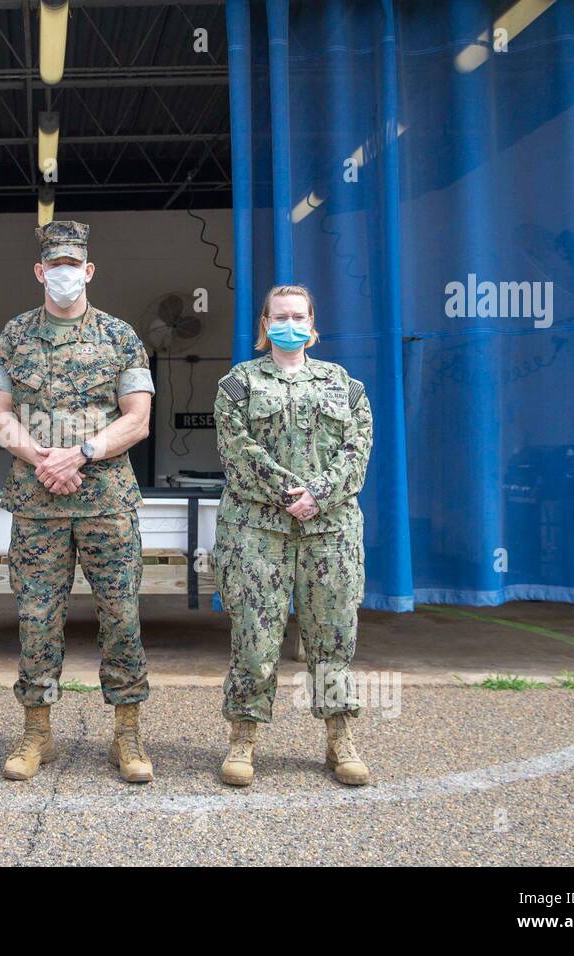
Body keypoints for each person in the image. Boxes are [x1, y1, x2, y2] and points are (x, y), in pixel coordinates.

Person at [0, 221, 156, 783]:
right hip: (38, 504)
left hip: (105, 501)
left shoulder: (120, 336)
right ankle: (37, 733)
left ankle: (127, 736)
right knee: (37, 619)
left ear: (89, 271)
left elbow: (137, 419)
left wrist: (78, 454)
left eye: (72, 265)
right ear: (40, 272)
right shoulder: (12, 336)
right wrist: (43, 459)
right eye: (52, 265)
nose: (63, 274)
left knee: (122, 616)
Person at [212, 283, 373, 787]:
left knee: (333, 638)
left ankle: (339, 740)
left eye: (298, 315)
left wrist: (317, 496)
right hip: (258, 533)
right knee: (254, 640)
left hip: (330, 534)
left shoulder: (345, 386)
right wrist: (288, 494)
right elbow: (236, 450)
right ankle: (243, 741)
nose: (289, 323)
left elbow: (357, 450)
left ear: (312, 325)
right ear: (264, 326)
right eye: (279, 316)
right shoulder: (237, 384)